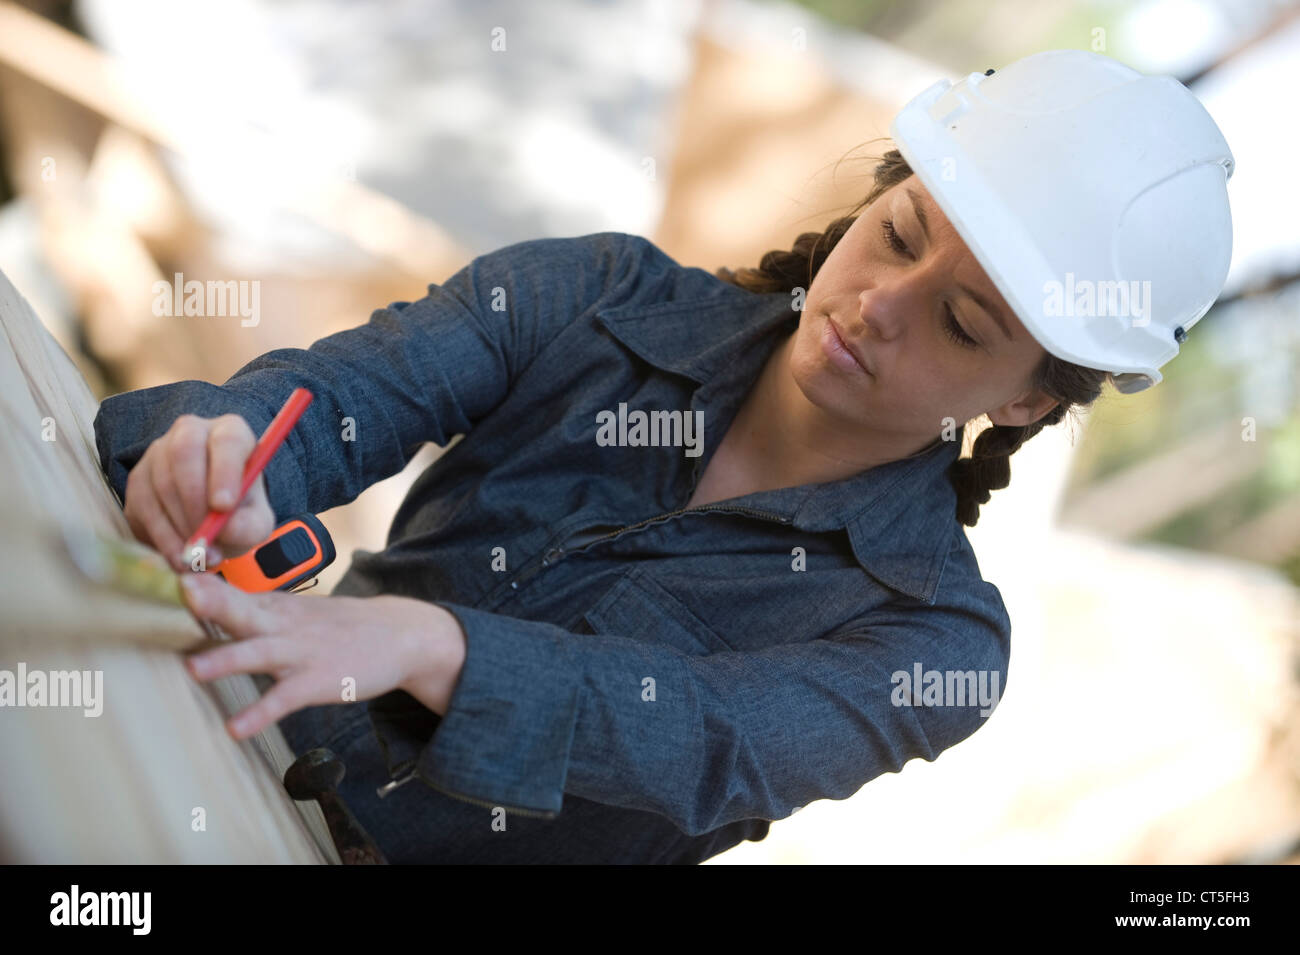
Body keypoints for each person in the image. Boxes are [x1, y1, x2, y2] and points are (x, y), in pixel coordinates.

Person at [92, 49, 1234, 864]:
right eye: (895, 235)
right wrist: (228, 459)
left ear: (1028, 401)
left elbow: (706, 739)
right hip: (214, 761)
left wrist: (436, 646)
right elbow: (354, 392)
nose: (881, 305)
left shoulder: (937, 643)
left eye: (963, 326)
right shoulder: (595, 297)